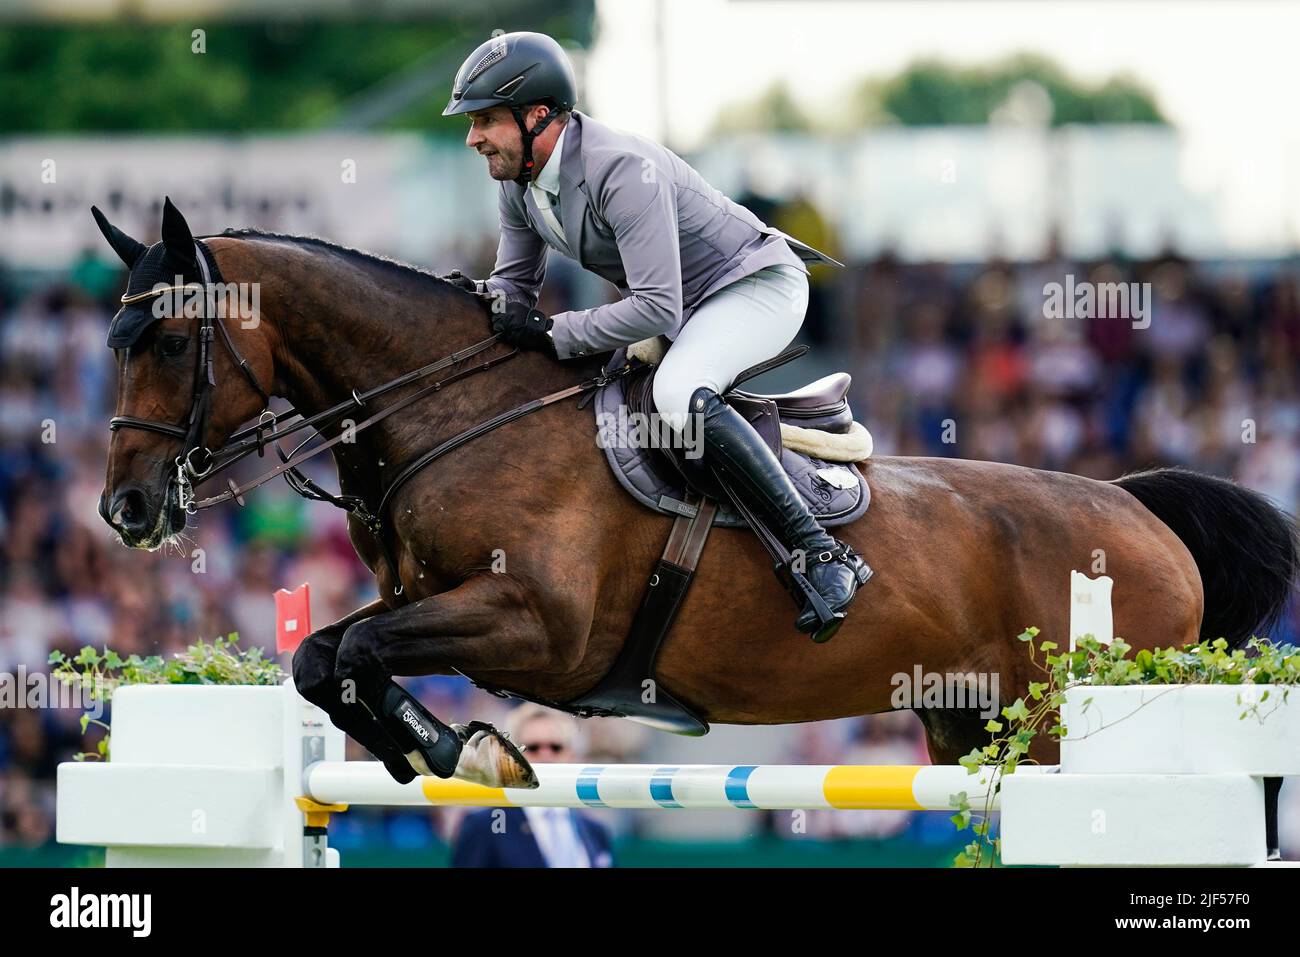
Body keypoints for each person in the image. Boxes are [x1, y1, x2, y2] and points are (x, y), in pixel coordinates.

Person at [440, 31, 870, 642]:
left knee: (676, 393)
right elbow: (512, 292)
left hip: (753, 287)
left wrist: (554, 331)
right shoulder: (518, 182)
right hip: (682, 308)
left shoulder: (621, 169)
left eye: (484, 120)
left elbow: (653, 304)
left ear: (537, 116)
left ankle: (822, 555)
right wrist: (461, 312)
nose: (472, 137)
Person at [449, 705, 614, 868]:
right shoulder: (483, 825)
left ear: (571, 754)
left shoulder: (595, 831)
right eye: (533, 747)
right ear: (511, 755)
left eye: (556, 747)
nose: (545, 755)